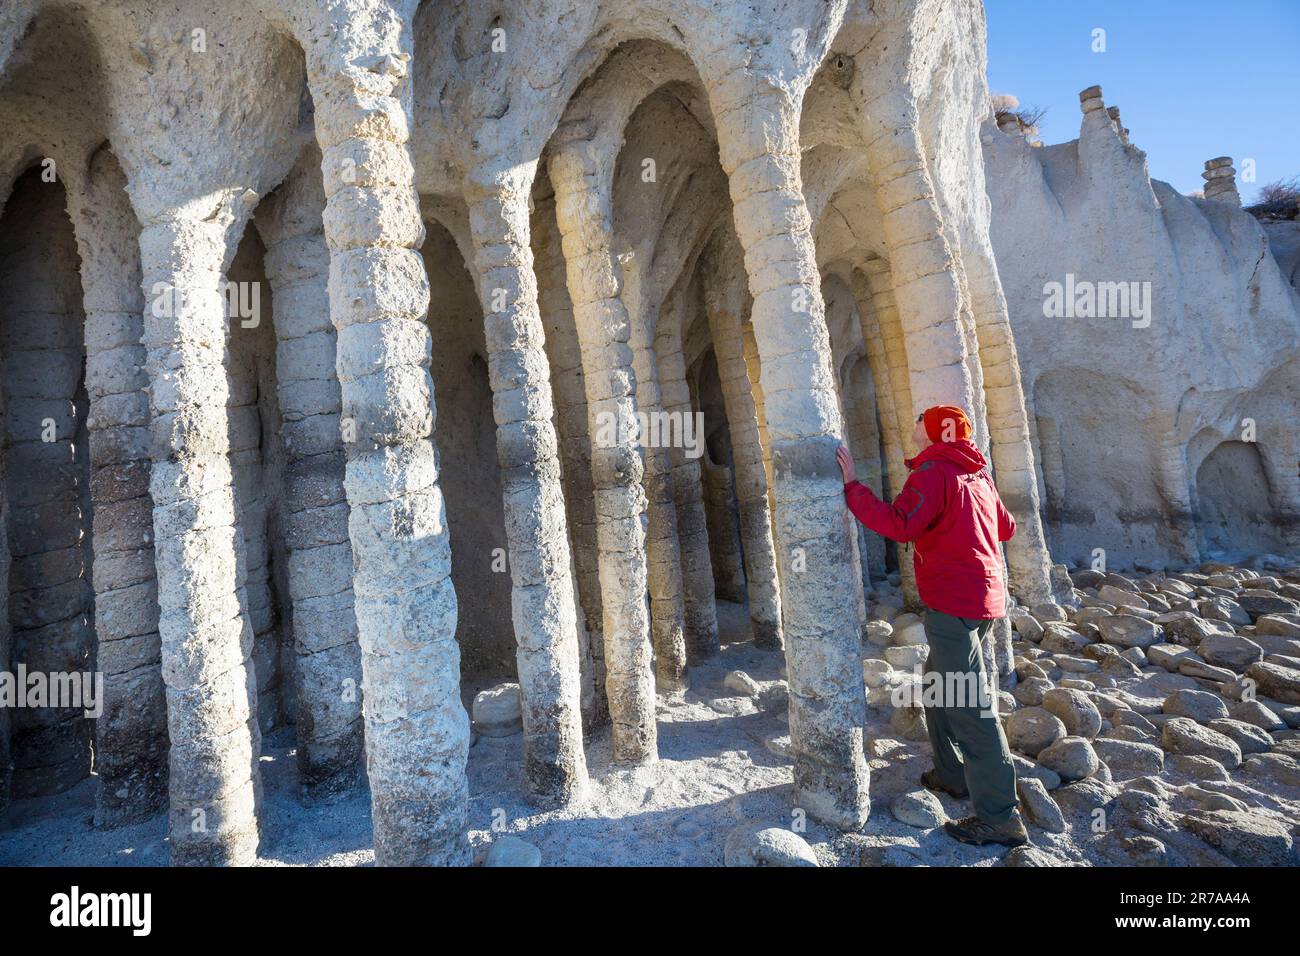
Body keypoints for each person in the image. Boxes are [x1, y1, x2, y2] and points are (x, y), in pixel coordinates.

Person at [836, 404, 1028, 847]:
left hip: (953, 604)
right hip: (984, 600)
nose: (915, 430)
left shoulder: (934, 473)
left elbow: (900, 525)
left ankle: (1001, 817)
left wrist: (851, 487)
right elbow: (1007, 527)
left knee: (972, 707)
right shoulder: (976, 473)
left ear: (935, 433)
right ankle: (952, 773)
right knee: (940, 683)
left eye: (920, 424)